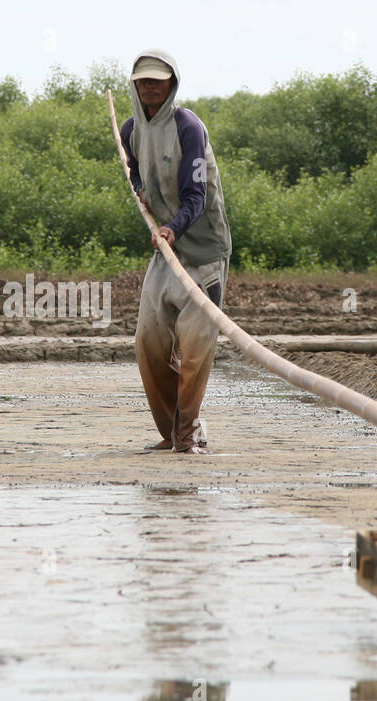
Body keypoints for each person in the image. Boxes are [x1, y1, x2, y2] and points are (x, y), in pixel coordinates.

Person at [120, 49, 233, 454]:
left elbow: (196, 194)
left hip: (202, 251)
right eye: (143, 81)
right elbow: (134, 169)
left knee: (195, 345)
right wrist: (140, 192)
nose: (150, 87)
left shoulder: (189, 127)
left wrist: (172, 228)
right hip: (165, 250)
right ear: (134, 86)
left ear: (172, 84)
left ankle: (188, 433)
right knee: (148, 341)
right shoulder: (131, 128)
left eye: (158, 80)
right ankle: (171, 432)